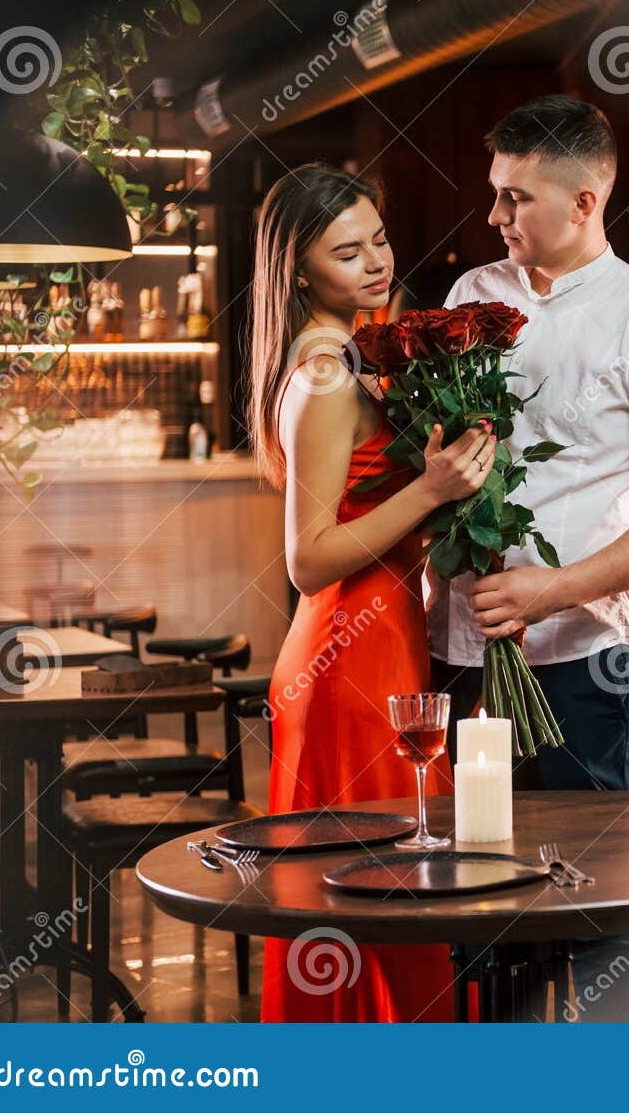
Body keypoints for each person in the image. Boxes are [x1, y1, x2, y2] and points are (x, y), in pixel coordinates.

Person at [427, 95, 629, 797]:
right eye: (495, 194)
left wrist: (552, 591)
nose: (495, 216)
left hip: (588, 663)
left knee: (588, 886)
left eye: (515, 198)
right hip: (456, 648)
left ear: (582, 202)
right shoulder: (471, 292)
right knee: (462, 883)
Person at [249, 163, 493, 1021]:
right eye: (347, 253)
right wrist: (429, 491)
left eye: (379, 240)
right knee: (380, 906)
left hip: (381, 647)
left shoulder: (350, 351)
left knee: (381, 905)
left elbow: (368, 517)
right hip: (345, 667)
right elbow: (308, 559)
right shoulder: (323, 372)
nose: (376, 263)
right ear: (301, 271)